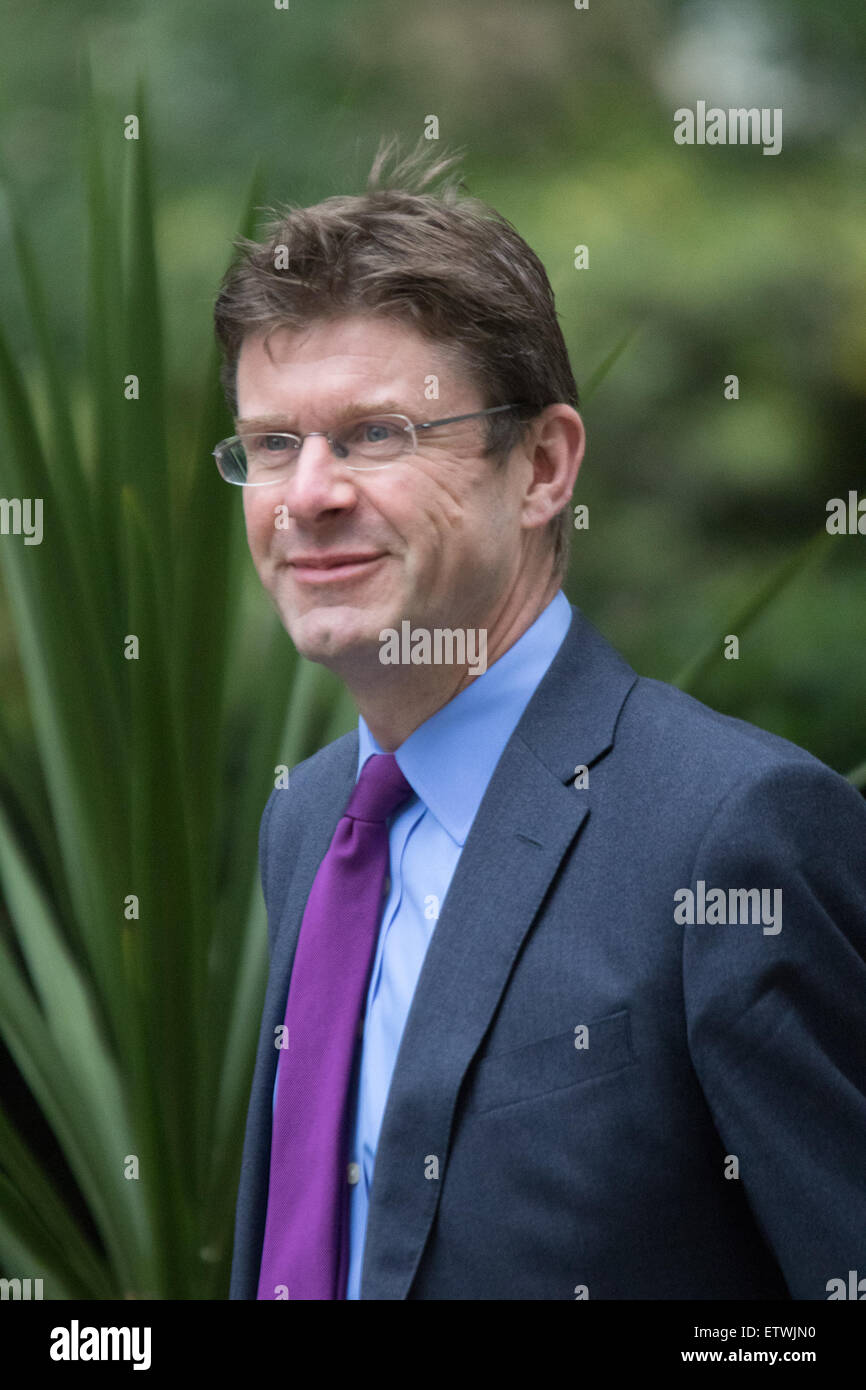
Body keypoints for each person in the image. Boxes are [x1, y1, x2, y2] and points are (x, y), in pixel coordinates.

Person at [213, 139, 866, 1300]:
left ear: (543, 466)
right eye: (273, 443)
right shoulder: (307, 823)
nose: (308, 494)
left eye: (376, 434)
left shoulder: (733, 832)